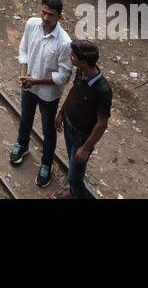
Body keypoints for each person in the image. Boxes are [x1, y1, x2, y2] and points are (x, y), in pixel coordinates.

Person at [10, 0, 73, 188]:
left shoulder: (64, 42)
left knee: (48, 129)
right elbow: (24, 49)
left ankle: (46, 163)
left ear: (59, 17)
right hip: (29, 86)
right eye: (44, 12)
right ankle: (22, 144)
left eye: (51, 15)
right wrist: (24, 75)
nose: (46, 18)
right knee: (26, 117)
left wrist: (36, 80)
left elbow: (64, 76)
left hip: (48, 95)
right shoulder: (32, 24)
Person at [54, 39, 111, 198]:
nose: (70, 57)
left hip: (82, 137)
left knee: (74, 178)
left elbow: (101, 124)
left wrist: (85, 148)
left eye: (73, 56)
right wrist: (61, 113)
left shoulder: (103, 90)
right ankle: (72, 193)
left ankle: (77, 194)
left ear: (84, 62)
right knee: (73, 170)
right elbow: (74, 91)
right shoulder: (81, 71)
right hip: (69, 125)